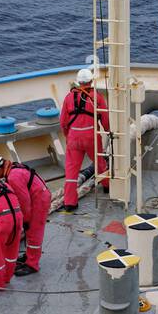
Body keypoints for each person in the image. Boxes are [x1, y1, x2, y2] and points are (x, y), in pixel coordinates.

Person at [0, 154, 51, 275]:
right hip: (38, 196)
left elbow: (24, 201)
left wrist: (25, 221)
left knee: (33, 232)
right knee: (30, 231)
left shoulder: (14, 177)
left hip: (39, 201)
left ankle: (32, 264)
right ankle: (29, 255)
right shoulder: (13, 169)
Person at [59, 67, 109, 211]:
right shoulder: (97, 97)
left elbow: (63, 122)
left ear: (78, 82)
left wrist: (68, 136)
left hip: (74, 137)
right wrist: (109, 131)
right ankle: (106, 186)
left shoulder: (69, 98)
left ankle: (69, 203)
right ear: (91, 81)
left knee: (71, 171)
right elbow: (104, 118)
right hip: (91, 136)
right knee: (99, 162)